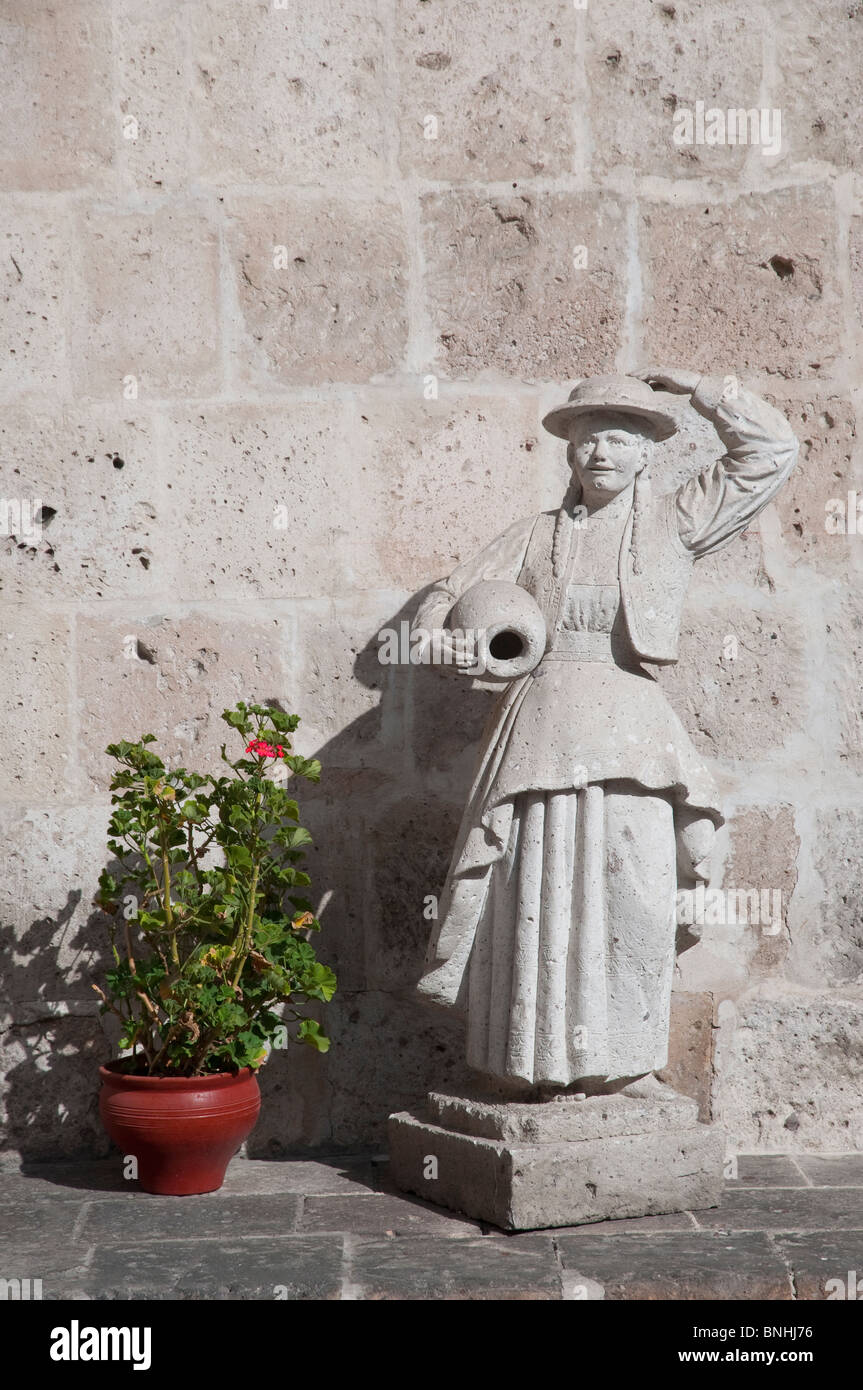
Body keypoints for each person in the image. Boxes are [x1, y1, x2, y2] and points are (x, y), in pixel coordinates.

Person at [411, 368, 799, 1096]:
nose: (601, 455)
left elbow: (771, 451)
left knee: (635, 896)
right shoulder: (534, 537)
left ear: (647, 454)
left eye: (619, 440)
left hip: (632, 730)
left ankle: (625, 1067)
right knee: (535, 895)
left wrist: (706, 392)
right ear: (569, 453)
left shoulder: (675, 522)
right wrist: (448, 642)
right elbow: (444, 597)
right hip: (541, 724)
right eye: (588, 441)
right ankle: (529, 1066)